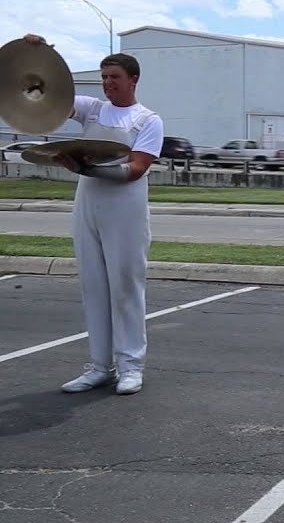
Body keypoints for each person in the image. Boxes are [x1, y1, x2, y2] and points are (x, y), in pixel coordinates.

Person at [56, 51, 164, 396]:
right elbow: (49, 97)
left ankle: (131, 366)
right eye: (104, 77)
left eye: (114, 77)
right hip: (88, 203)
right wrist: (35, 53)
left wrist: (87, 169)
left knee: (125, 286)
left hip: (125, 208)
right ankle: (100, 367)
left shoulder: (148, 120)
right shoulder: (93, 109)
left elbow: (135, 169)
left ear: (133, 79)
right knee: (93, 285)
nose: (107, 83)